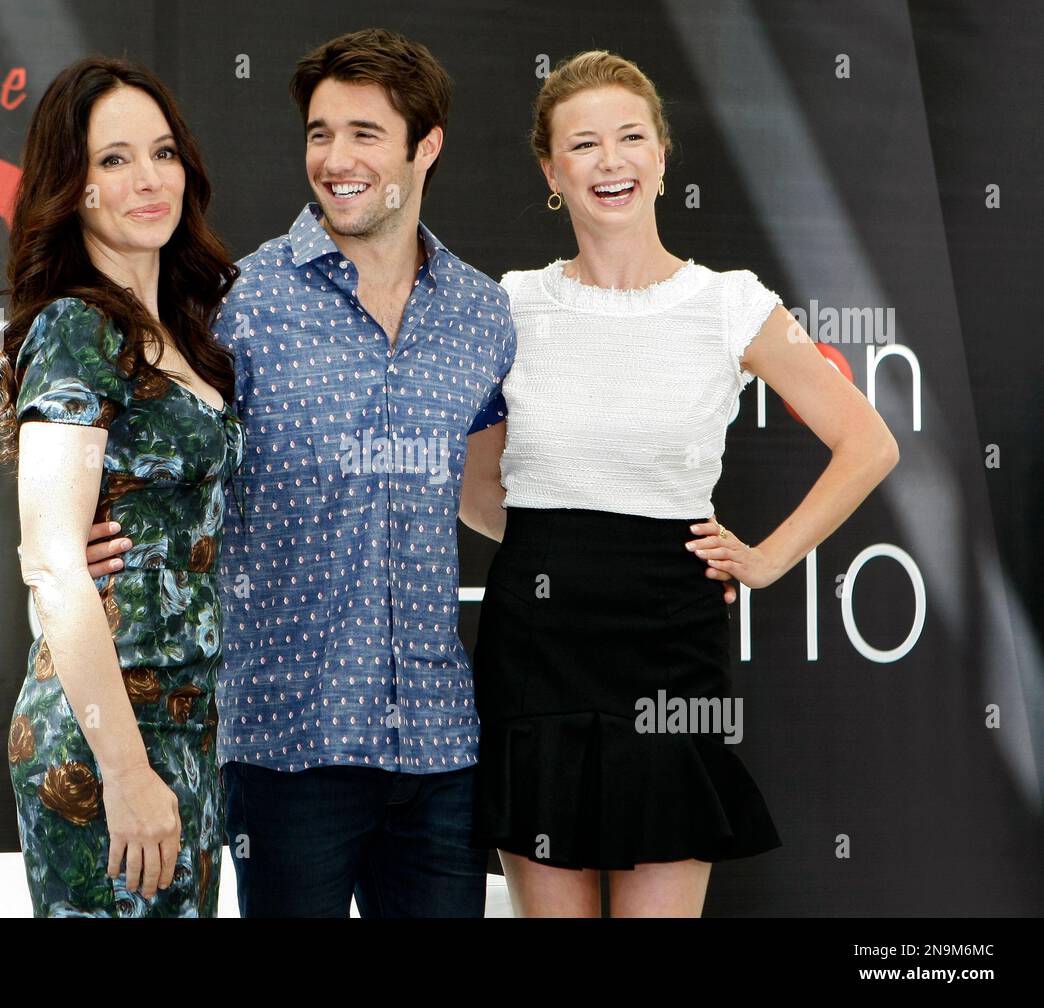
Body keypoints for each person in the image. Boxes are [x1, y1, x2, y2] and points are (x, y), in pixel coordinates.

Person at [80, 30, 733, 917]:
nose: (335, 159)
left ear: (426, 147)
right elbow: (152, 439)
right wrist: (100, 527)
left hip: (439, 751)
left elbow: (516, 492)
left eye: (364, 134)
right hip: (287, 745)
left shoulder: (480, 315)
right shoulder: (242, 303)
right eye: (319, 133)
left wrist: (638, 564)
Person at [459, 51, 900, 917]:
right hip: (535, 652)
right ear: (552, 171)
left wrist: (768, 560)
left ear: (662, 154)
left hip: (670, 648)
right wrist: (563, 555)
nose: (611, 161)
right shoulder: (508, 307)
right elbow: (476, 486)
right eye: (584, 145)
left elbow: (868, 442)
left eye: (630, 137)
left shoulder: (730, 304)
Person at [0, 57, 244, 917]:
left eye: (162, 152)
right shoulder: (75, 326)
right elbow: (55, 561)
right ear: (74, 186)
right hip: (105, 740)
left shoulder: (185, 333)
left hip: (188, 727)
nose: (148, 179)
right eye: (114, 160)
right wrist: (127, 772)